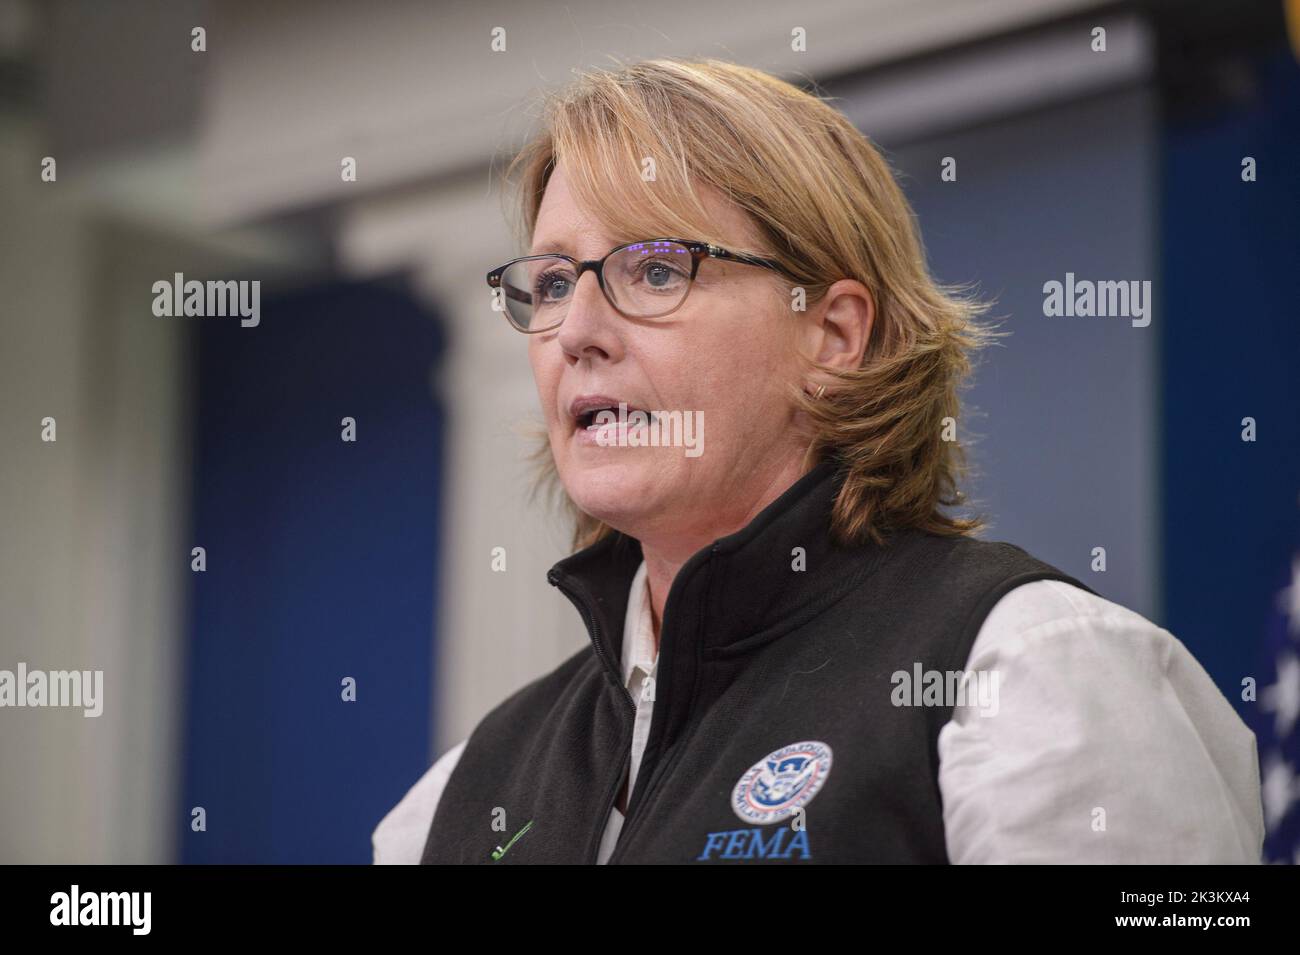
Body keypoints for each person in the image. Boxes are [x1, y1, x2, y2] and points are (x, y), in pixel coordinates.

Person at [373, 58, 1263, 864]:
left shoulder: (1031, 672)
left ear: (834, 334)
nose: (576, 332)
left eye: (652, 270)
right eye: (556, 281)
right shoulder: (458, 794)